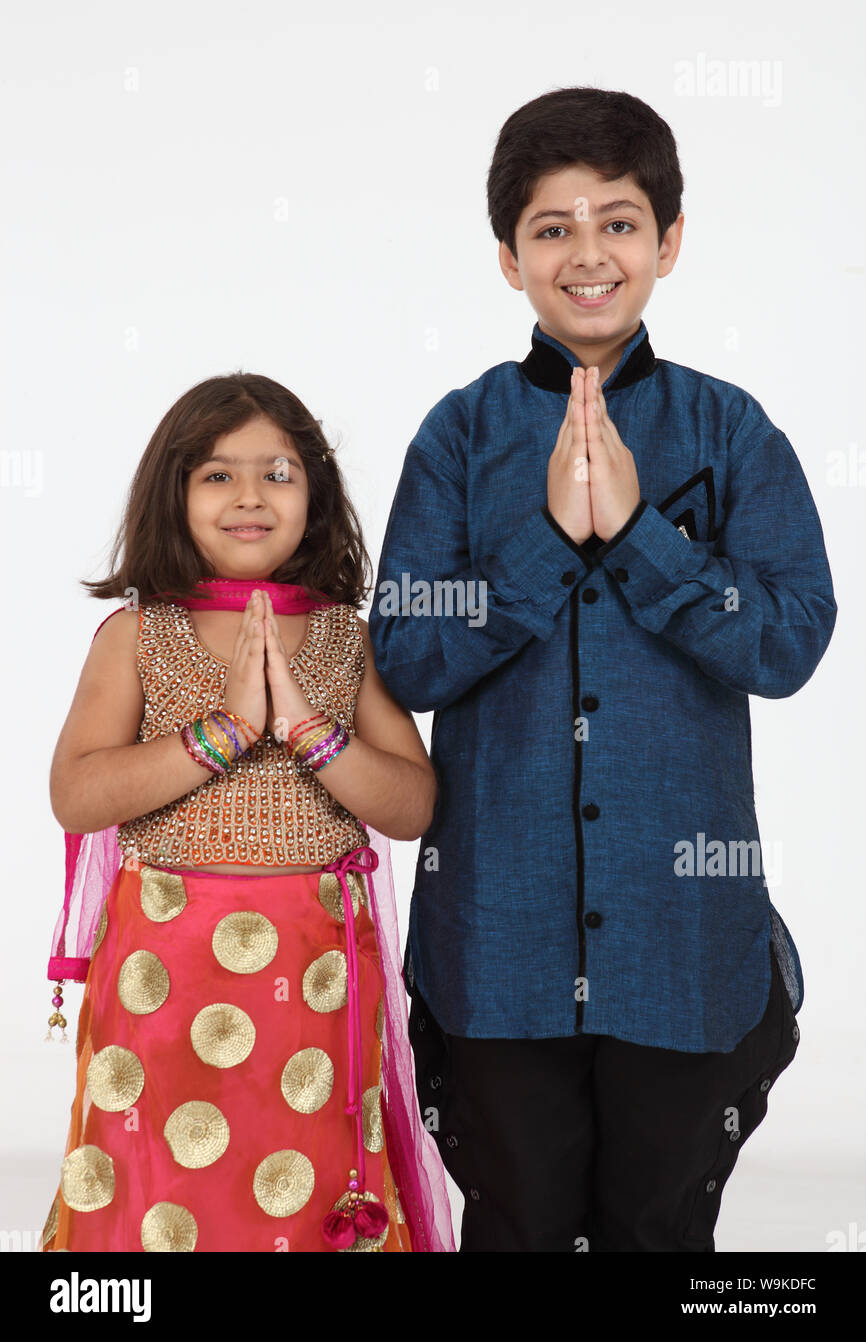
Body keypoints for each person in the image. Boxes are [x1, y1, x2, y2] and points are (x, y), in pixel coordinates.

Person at [367, 86, 837, 1252]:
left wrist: (639, 539)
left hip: (680, 938)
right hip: (496, 939)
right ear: (506, 255)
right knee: (519, 1223)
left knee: (658, 1229)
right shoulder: (459, 436)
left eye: (618, 223)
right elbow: (407, 651)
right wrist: (545, 541)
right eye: (552, 227)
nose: (588, 255)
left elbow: (789, 637)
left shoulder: (731, 433)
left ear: (667, 242)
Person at [40, 373, 455, 1253]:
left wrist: (308, 730)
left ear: (317, 494)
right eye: (219, 475)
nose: (250, 498)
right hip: (165, 959)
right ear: (174, 493)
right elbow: (77, 794)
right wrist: (222, 732)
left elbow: (414, 804)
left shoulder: (350, 634)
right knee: (164, 1179)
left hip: (318, 966)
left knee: (305, 1170)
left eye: (278, 473)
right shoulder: (139, 634)